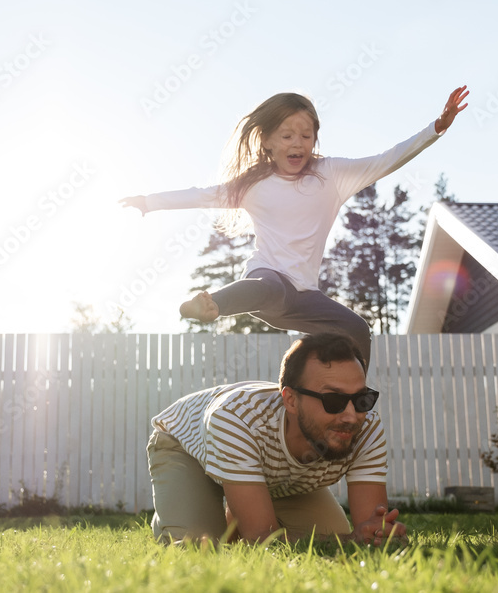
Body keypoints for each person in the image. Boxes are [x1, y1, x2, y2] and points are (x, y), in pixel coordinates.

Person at [121, 86, 468, 370]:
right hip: (267, 281)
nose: (297, 143)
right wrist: (149, 202)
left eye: (306, 135)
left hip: (306, 297)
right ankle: (212, 304)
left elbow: (386, 160)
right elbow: (201, 196)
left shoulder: (331, 175)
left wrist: (436, 128)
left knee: (357, 328)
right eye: (286, 135)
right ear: (267, 141)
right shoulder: (253, 184)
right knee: (270, 287)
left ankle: (353, 396)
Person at [146, 331, 407, 545]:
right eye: (334, 399)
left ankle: (240, 507)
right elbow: (262, 538)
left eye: (361, 399)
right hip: (185, 445)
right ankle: (174, 515)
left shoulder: (367, 426)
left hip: (276, 475)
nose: (352, 416)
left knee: (332, 534)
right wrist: (348, 540)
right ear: (291, 400)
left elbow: (371, 529)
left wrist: (378, 536)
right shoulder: (237, 418)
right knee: (199, 546)